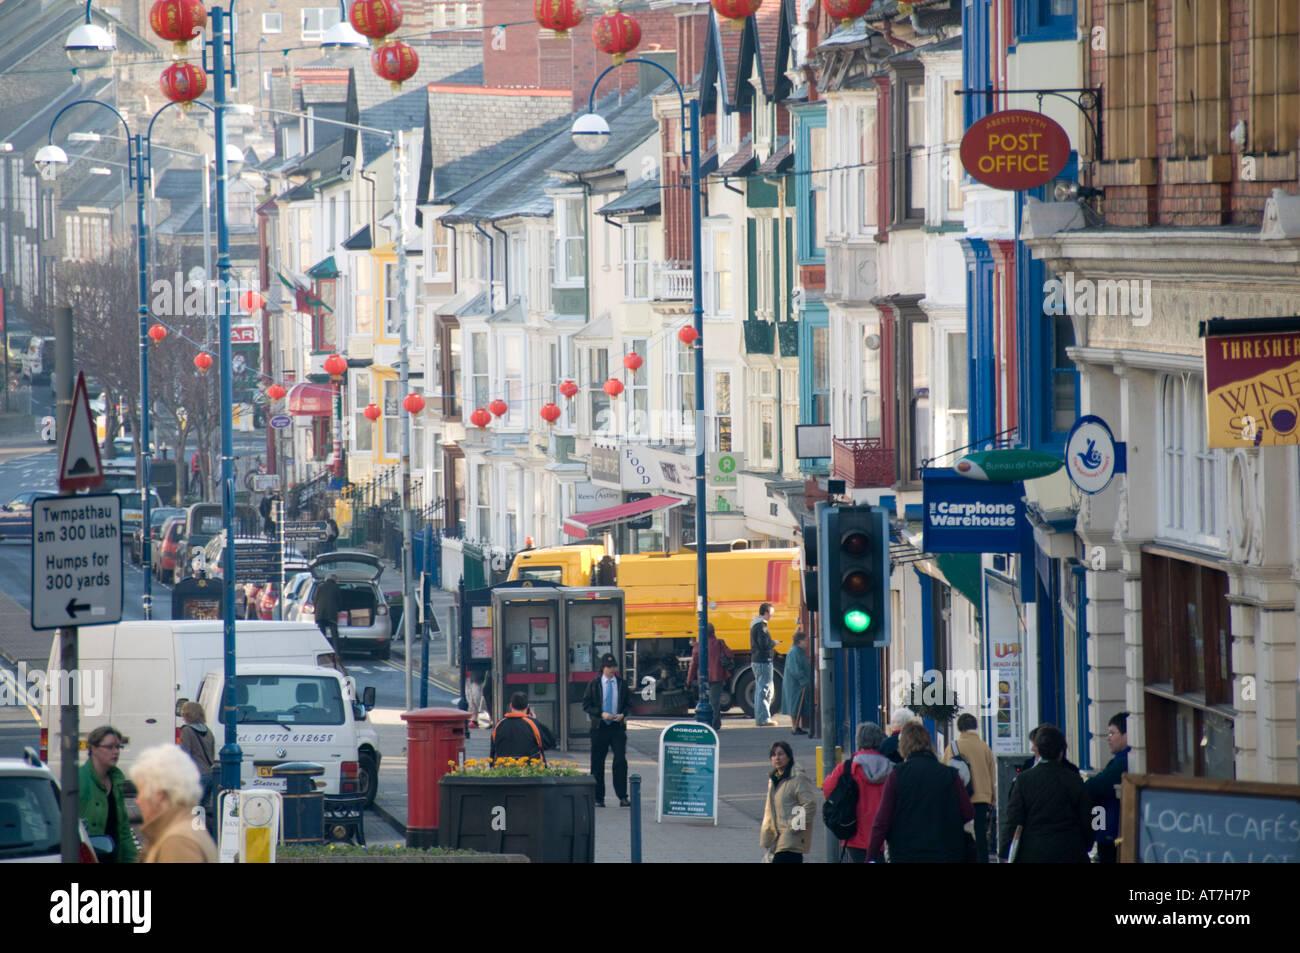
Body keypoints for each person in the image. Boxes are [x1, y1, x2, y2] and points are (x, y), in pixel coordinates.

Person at [867, 722, 974, 862]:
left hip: (905, 854)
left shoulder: (897, 775)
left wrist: (871, 856)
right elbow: (968, 812)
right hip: (946, 853)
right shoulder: (950, 775)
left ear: (903, 746)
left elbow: (882, 821)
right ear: (929, 744)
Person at [1000, 723, 1094, 863]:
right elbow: (1087, 818)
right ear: (1061, 752)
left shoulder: (1024, 780)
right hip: (1069, 851)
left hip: (1033, 852)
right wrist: (1085, 845)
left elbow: (1013, 818)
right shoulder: (1074, 779)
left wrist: (1006, 850)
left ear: (1038, 751)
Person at [128, 745, 218, 863]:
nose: (137, 800)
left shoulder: (177, 841)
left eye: (140, 791)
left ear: (159, 795)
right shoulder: (183, 829)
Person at [821, 722, 892, 862]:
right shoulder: (892, 769)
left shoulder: (847, 768)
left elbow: (827, 790)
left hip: (855, 836)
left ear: (858, 741)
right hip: (885, 837)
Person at [943, 712, 997, 863]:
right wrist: (992, 797)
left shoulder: (953, 747)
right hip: (982, 797)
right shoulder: (985, 747)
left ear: (959, 728)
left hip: (959, 797)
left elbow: (945, 771)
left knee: (959, 833)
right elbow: (992, 774)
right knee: (980, 834)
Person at [79, 725, 137, 863]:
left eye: (118, 747)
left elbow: (123, 831)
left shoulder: (116, 780)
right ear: (93, 748)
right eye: (110, 747)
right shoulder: (79, 779)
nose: (116, 752)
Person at [582, 654, 631, 807]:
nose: (612, 670)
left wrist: (623, 714)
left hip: (617, 727)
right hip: (600, 727)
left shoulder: (621, 684)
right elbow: (586, 704)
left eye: (613, 667)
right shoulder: (595, 684)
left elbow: (628, 703)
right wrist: (601, 713)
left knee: (620, 761)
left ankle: (622, 796)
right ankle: (598, 797)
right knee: (597, 762)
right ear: (602, 668)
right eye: (609, 667)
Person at [760, 739, 818, 863]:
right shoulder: (774, 778)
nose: (777, 758)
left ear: (789, 756)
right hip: (777, 837)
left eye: (781, 754)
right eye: (774, 755)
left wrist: (794, 826)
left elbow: (810, 804)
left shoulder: (798, 777)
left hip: (791, 839)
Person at [1085, 711, 1130, 863]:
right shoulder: (1121, 760)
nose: (1108, 738)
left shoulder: (1123, 761)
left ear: (1126, 735)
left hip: (1114, 833)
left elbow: (1097, 786)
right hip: (1110, 831)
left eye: (1112, 733)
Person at [686, 623, 734, 731]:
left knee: (704, 700)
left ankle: (709, 724)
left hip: (703, 679)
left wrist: (689, 680)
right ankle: (715, 724)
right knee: (714, 702)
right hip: (717, 676)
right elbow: (730, 654)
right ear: (713, 632)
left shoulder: (698, 646)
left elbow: (693, 664)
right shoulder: (719, 643)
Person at [178, 701, 216, 826]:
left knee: (192, 810)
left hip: (196, 776)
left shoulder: (187, 731)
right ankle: (206, 837)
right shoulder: (209, 732)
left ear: (188, 714)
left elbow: (185, 755)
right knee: (204, 810)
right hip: (210, 774)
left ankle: (196, 838)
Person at [490, 692, 546, 762]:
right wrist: (535, 720)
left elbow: (493, 751)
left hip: (504, 768)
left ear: (511, 706)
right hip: (529, 767)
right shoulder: (533, 724)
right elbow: (545, 744)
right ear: (528, 707)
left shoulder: (499, 725)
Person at [749, 602, 777, 726]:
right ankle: (764, 719)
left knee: (759, 689)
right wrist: (773, 643)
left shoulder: (755, 625)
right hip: (763, 660)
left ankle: (760, 718)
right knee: (765, 690)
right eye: (771, 613)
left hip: (756, 660)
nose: (772, 616)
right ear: (765, 613)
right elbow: (764, 644)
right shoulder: (762, 626)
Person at [781, 629, 813, 735]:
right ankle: (794, 727)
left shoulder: (798, 651)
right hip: (795, 684)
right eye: (805, 641)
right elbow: (794, 669)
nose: (807, 643)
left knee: (798, 704)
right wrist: (803, 680)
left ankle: (796, 726)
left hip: (798, 683)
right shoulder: (794, 652)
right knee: (795, 705)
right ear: (799, 641)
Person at [313, 572, 341, 654]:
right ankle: (336, 652)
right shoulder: (336, 587)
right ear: (334, 580)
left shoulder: (320, 587)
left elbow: (315, 600)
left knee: (322, 633)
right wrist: (339, 609)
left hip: (320, 613)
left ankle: (323, 650)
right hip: (331, 614)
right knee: (334, 633)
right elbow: (339, 601)